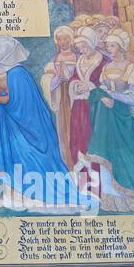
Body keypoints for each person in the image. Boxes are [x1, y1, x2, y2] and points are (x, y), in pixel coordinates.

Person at [0, 36, 80, 208]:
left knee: (27, 153)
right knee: (11, 155)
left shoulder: (18, 73)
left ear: (4, 51)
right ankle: (12, 194)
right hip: (8, 122)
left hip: (27, 124)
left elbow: (15, 100)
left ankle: (36, 195)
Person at [86, 30, 134, 204]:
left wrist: (112, 96)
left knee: (128, 155)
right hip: (108, 118)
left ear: (121, 47)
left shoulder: (132, 69)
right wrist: (103, 95)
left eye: (112, 45)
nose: (109, 49)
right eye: (107, 45)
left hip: (125, 118)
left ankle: (132, 192)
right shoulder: (106, 68)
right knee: (107, 151)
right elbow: (100, 90)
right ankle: (111, 193)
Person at [67, 27, 106, 164]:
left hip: (96, 107)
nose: (82, 50)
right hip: (79, 106)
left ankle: (97, 172)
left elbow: (107, 84)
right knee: (79, 137)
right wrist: (75, 84)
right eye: (79, 48)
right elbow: (73, 78)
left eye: (84, 46)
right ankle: (81, 170)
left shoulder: (104, 61)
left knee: (92, 137)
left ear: (92, 42)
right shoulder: (80, 61)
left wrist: (90, 86)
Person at [41, 25, 78, 167]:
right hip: (61, 96)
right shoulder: (54, 59)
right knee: (63, 128)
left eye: (65, 39)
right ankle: (67, 162)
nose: (63, 42)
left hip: (75, 96)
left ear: (71, 40)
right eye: (60, 39)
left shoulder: (78, 57)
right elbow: (47, 79)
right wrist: (56, 78)